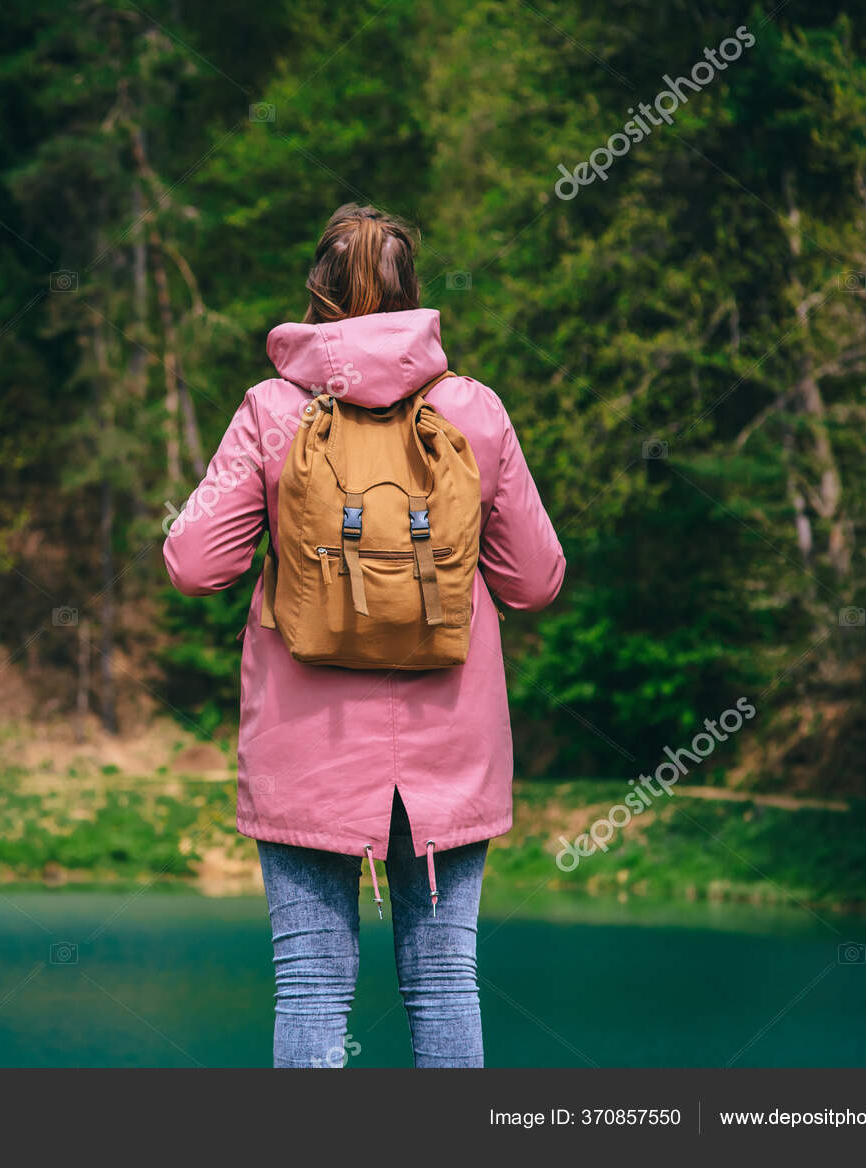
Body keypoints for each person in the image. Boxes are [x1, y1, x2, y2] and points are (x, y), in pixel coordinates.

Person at [162, 203, 565, 1068]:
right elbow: (534, 581)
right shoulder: (474, 409)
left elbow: (195, 564)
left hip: (307, 749)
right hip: (449, 753)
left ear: (315, 292)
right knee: (446, 983)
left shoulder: (272, 410)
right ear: (415, 296)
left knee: (311, 990)